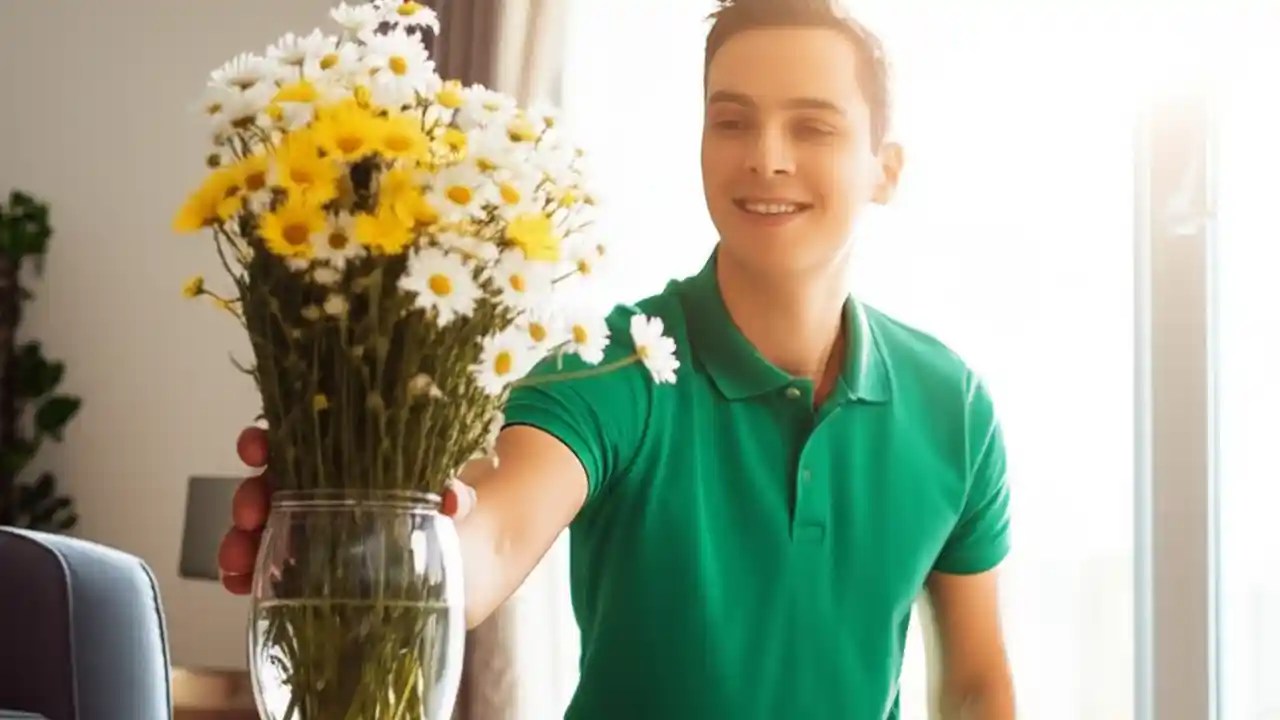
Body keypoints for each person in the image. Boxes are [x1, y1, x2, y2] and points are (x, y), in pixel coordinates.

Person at [219, 0, 1017, 717]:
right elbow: (486, 545)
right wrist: (360, 524)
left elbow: (977, 687)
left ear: (886, 170)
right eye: (732, 121)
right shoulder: (607, 369)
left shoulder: (955, 407)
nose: (765, 158)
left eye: (813, 127)